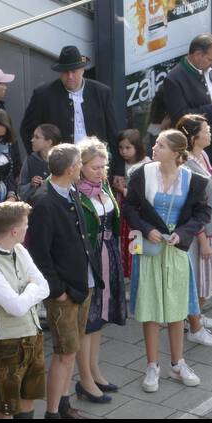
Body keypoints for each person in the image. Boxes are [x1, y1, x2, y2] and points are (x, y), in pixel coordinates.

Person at [124, 130, 212, 392]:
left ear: (176, 153)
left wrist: (183, 233)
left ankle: (177, 363)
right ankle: (152, 366)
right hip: (150, 249)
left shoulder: (193, 180)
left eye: (160, 145)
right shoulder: (141, 174)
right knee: (149, 309)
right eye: (155, 144)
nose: (154, 148)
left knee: (176, 308)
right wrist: (145, 227)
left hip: (175, 250)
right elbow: (128, 207)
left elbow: (203, 212)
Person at [27, 143, 98, 419]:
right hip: (64, 293)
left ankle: (64, 405)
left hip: (80, 287)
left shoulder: (70, 191)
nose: (82, 167)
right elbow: (39, 253)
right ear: (70, 169)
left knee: (72, 349)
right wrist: (57, 291)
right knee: (65, 353)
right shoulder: (44, 202)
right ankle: (53, 413)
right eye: (80, 163)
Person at [0, 200, 49, 419]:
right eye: (26, 224)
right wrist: (32, 287)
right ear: (15, 230)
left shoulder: (19, 250)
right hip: (6, 345)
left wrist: (30, 290)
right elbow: (15, 307)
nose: (28, 228)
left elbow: (45, 286)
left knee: (28, 399)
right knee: (6, 408)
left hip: (33, 336)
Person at [71, 138, 127, 404]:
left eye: (104, 166)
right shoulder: (75, 194)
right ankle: (84, 380)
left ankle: (94, 371)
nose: (101, 171)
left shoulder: (102, 185)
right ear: (80, 167)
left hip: (108, 255)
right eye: (95, 167)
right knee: (86, 321)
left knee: (99, 320)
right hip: (89, 260)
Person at [160, 33, 212, 185]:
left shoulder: (211, 68)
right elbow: (180, 117)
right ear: (197, 55)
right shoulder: (174, 79)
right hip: (203, 151)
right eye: (210, 59)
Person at [176, 116, 212, 341]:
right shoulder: (187, 164)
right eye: (206, 131)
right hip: (200, 231)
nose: (210, 134)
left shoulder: (202, 155)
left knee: (206, 278)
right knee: (198, 279)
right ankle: (195, 328)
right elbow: (192, 205)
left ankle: (196, 315)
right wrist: (203, 240)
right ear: (193, 137)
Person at [20, 46, 118, 145]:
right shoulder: (43, 95)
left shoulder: (102, 92)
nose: (70, 76)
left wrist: (114, 159)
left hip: (95, 157)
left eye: (74, 71)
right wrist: (39, 158)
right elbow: (27, 130)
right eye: (65, 72)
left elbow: (112, 131)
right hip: (59, 158)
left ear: (82, 70)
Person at [18, 123, 60, 201]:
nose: (32, 140)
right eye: (33, 136)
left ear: (49, 142)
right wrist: (31, 185)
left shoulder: (63, 161)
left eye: (37, 137)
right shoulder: (29, 160)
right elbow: (20, 191)